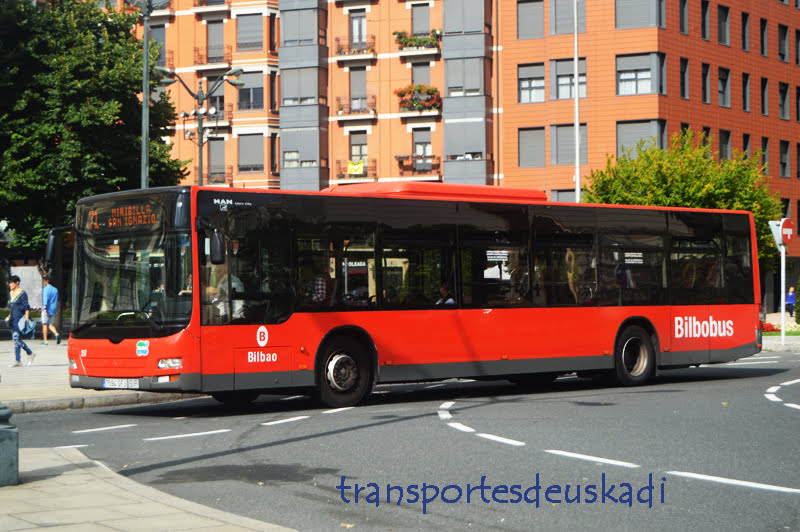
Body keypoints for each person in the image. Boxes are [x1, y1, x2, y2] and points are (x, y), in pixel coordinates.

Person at [5, 275, 35, 367]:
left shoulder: (22, 293)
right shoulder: (11, 293)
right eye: (9, 283)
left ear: (17, 282)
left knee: (16, 338)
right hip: (13, 319)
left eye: (11, 282)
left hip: (20, 319)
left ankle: (30, 353)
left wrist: (26, 318)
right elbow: (11, 306)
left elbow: (26, 306)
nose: (10, 284)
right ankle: (18, 361)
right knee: (16, 341)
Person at [41, 275, 60, 345]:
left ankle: (45, 341)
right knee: (50, 324)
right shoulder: (55, 290)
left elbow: (45, 299)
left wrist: (45, 308)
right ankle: (56, 334)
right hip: (53, 309)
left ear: (46, 281)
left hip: (47, 309)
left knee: (44, 324)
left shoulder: (45, 289)